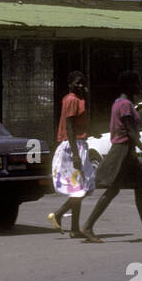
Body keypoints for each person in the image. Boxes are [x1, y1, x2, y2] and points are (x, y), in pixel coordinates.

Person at [81, 69, 142, 242]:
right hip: (123, 150)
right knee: (115, 189)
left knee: (137, 188)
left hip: (125, 150)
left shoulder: (120, 103)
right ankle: (88, 226)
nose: (138, 85)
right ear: (128, 85)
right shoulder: (125, 105)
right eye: (135, 82)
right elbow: (130, 132)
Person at [48, 71, 94, 237]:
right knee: (84, 187)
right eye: (77, 83)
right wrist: (75, 154)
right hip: (73, 146)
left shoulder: (79, 100)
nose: (80, 86)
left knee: (79, 188)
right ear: (70, 84)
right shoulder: (71, 100)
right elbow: (69, 127)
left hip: (78, 144)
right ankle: (58, 214)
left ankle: (74, 228)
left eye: (82, 83)